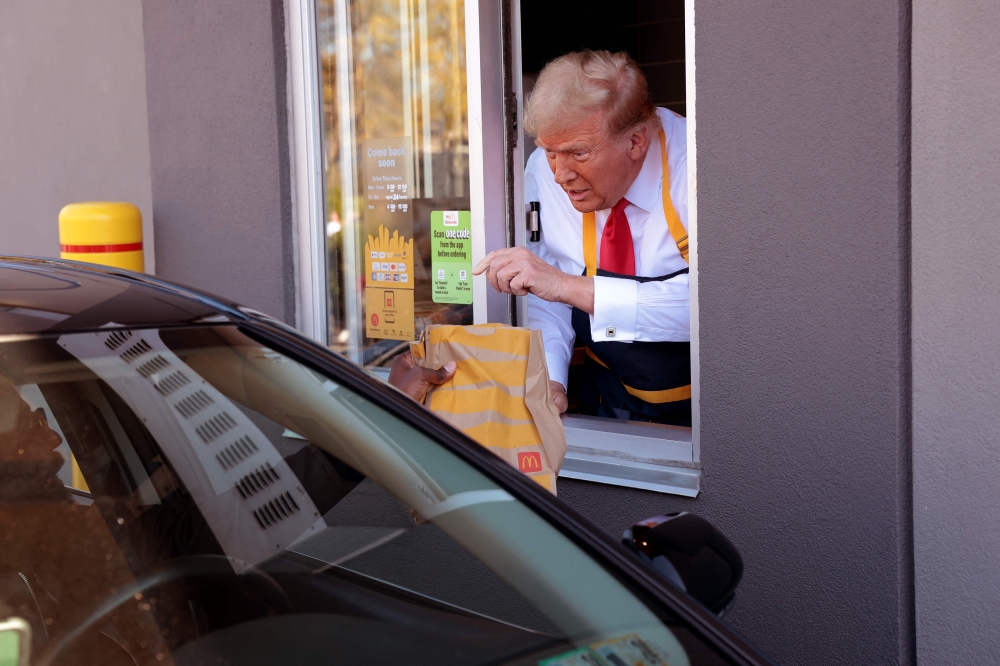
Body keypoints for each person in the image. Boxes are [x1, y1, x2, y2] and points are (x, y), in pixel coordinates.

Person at [473, 50, 691, 425]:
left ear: (636, 142)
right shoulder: (545, 169)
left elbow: (715, 308)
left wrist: (566, 286)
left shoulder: (698, 164)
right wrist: (552, 379)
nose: (560, 174)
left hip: (706, 411)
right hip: (606, 395)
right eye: (549, 151)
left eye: (578, 153)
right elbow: (546, 290)